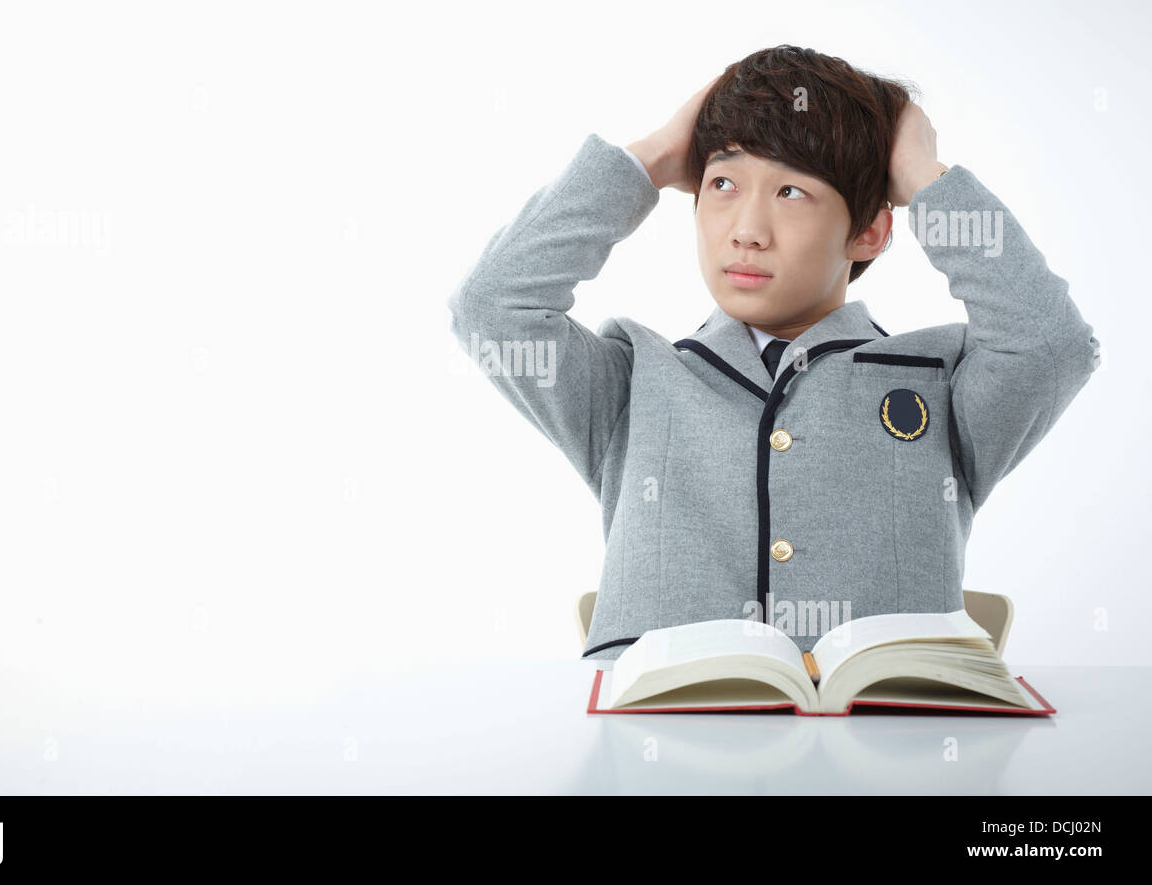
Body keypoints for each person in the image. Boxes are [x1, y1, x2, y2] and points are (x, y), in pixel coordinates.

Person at [446, 45, 1101, 662]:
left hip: (891, 758)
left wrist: (925, 179)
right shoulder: (633, 382)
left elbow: (1052, 344)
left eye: (791, 192)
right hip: (664, 758)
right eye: (723, 185)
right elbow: (492, 308)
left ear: (870, 229)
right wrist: (646, 160)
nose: (747, 232)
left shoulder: (938, 384)